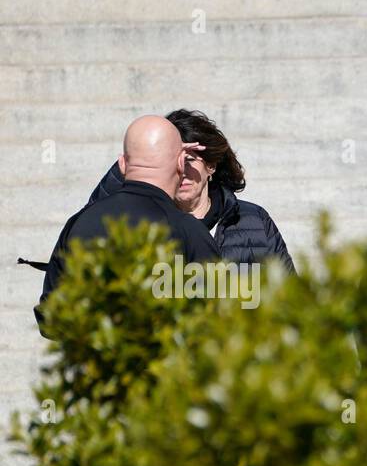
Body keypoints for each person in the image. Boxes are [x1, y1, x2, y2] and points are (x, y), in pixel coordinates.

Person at [36, 115, 221, 336]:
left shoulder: (80, 222)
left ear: (122, 164)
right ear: (181, 163)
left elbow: (51, 320)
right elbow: (216, 323)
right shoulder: (189, 231)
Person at [84, 109, 294, 270]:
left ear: (210, 166)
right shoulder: (145, 219)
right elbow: (94, 217)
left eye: (190, 160)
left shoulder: (253, 219)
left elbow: (288, 295)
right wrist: (135, 162)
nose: (181, 169)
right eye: (174, 159)